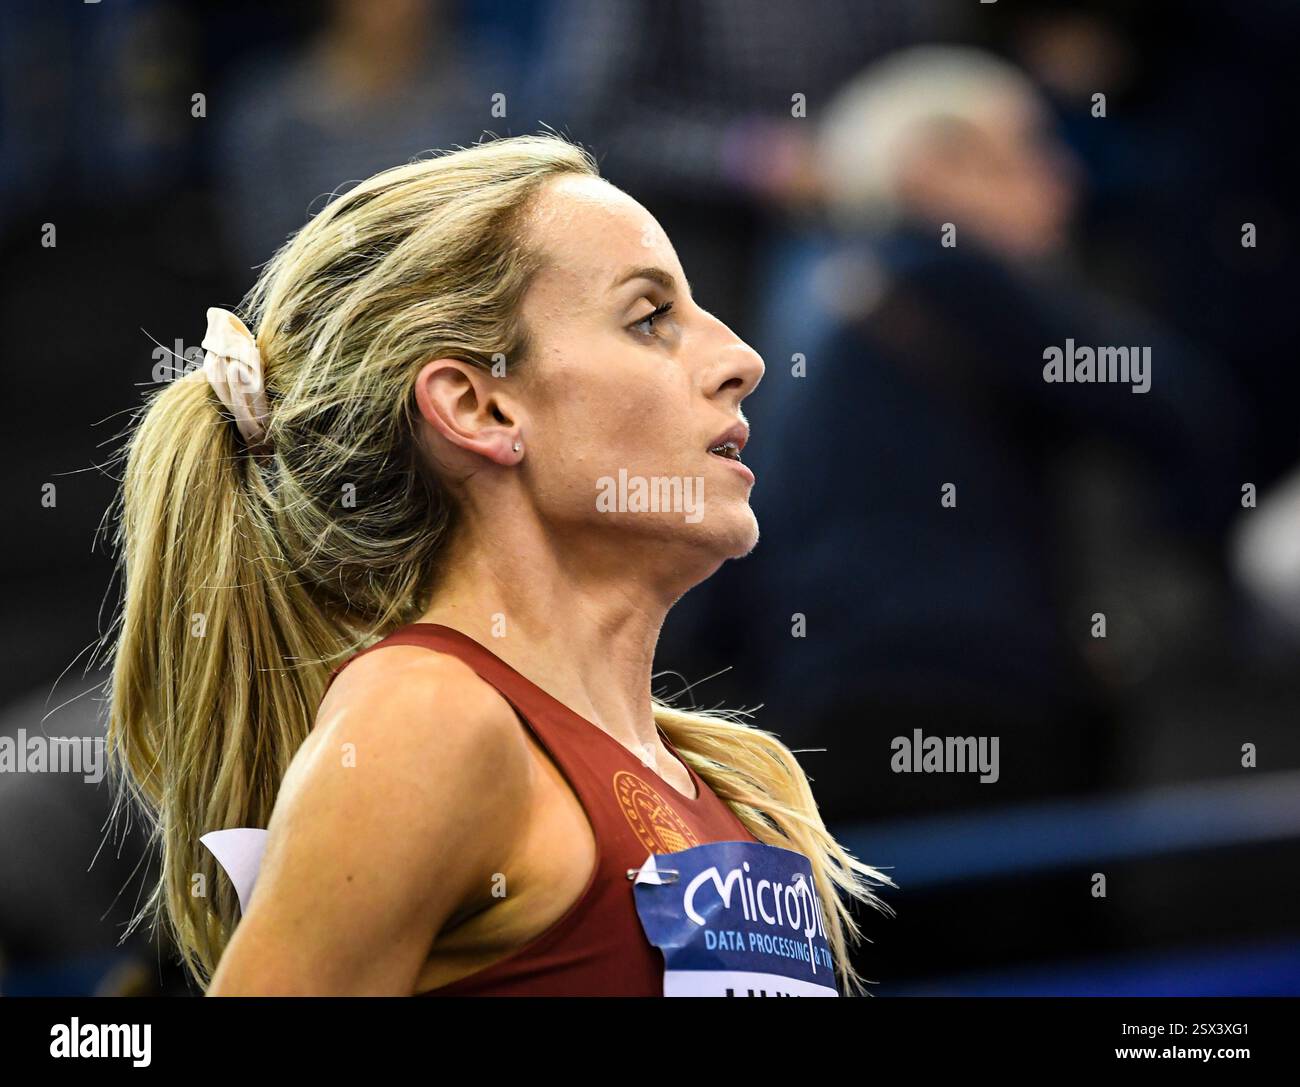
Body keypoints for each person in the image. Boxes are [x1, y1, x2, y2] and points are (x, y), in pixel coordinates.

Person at [103, 134, 893, 996]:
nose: (742, 359)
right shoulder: (429, 718)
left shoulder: (737, 783)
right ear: (478, 406)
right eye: (648, 318)